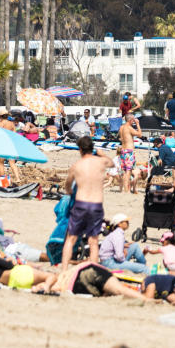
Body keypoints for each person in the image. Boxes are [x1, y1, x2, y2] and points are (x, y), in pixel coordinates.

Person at [61, 136, 110, 267]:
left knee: (71, 239)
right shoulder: (100, 162)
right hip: (96, 204)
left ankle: (64, 269)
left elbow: (68, 184)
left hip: (81, 203)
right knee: (93, 241)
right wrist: (102, 154)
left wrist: (70, 192)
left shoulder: (76, 165)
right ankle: (93, 270)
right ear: (92, 148)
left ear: (80, 149)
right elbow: (112, 163)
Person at [117, 104, 138, 194]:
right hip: (129, 151)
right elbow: (139, 134)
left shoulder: (121, 128)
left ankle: (125, 189)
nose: (134, 121)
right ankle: (126, 190)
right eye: (133, 120)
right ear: (130, 120)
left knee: (124, 171)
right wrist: (138, 124)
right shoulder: (129, 128)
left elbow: (120, 138)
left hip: (123, 150)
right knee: (128, 171)